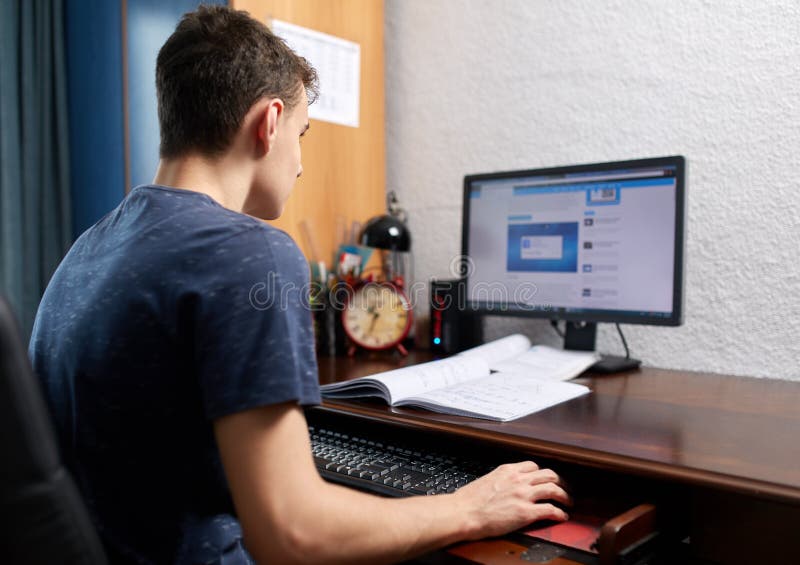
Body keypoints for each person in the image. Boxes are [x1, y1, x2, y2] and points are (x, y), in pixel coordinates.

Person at [29, 5, 570, 564]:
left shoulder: (88, 246)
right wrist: (470, 507)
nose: (302, 163)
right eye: (303, 133)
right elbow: (292, 534)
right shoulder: (245, 249)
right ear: (268, 122)